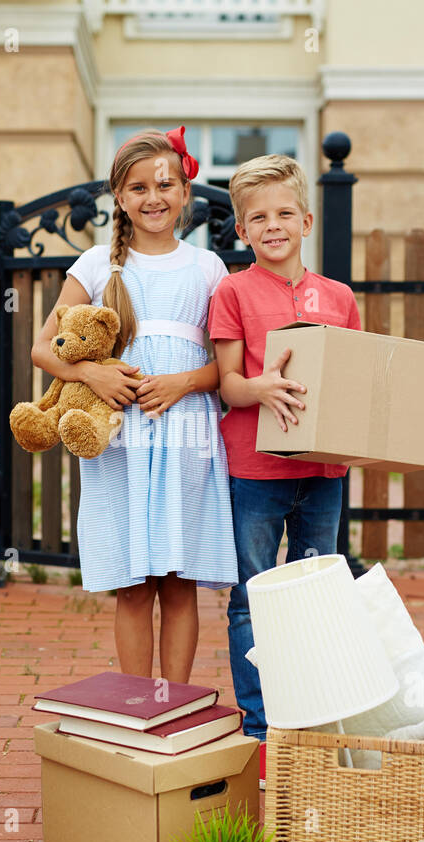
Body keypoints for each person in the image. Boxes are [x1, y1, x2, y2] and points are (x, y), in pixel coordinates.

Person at [30, 126, 237, 684]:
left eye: (166, 185)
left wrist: (183, 384)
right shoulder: (97, 265)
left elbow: (228, 367)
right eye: (139, 187)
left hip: (187, 441)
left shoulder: (208, 269)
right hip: (121, 445)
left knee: (179, 581)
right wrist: (91, 373)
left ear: (185, 192)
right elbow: (42, 348)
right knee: (133, 583)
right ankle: (139, 702)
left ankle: (176, 699)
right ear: (119, 197)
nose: (154, 198)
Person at [208, 153, 362, 782]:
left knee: (316, 596)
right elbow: (227, 386)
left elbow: (352, 383)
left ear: (305, 220)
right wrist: (261, 388)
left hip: (322, 473)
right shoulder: (233, 291)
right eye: (257, 218)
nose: (272, 226)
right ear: (241, 230)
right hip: (256, 471)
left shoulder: (340, 297)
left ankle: (312, 720)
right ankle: (261, 725)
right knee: (252, 598)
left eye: (283, 214)